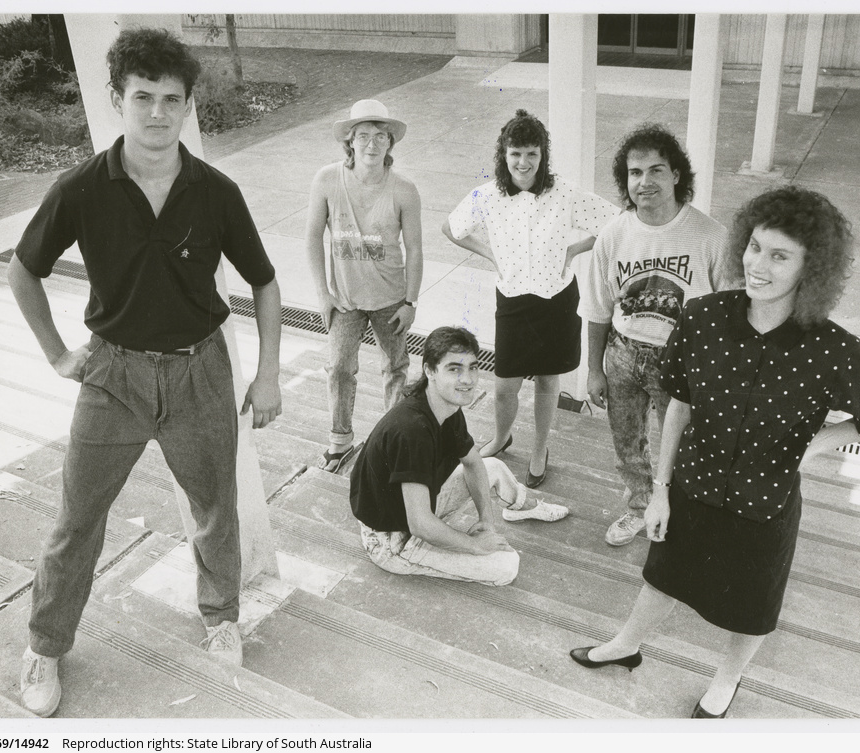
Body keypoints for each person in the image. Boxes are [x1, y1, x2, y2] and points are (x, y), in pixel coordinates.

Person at [7, 28, 283, 717]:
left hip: (201, 374)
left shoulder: (215, 190)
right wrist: (57, 354)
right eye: (143, 97)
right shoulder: (82, 188)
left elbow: (266, 283)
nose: (157, 113)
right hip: (114, 376)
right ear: (118, 99)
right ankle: (44, 643)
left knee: (215, 506)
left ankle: (222, 617)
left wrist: (269, 373)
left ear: (188, 105)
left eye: (171, 99)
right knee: (77, 518)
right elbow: (22, 269)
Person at [569, 186, 860, 718]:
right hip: (692, 484)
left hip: (764, 501)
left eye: (779, 256)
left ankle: (727, 680)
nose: (758, 265)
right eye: (754, 247)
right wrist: (658, 492)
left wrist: (822, 443)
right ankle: (626, 645)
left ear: (810, 268)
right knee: (663, 574)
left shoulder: (831, 348)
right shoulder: (702, 317)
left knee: (751, 605)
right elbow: (679, 402)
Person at [443, 109, 618, 493]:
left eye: (532, 154)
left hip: (557, 301)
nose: (523, 163)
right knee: (505, 386)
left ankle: (540, 450)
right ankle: (502, 437)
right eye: (515, 154)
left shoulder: (566, 193)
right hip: (513, 301)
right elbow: (450, 227)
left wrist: (574, 250)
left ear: (543, 156)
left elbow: (615, 222)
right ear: (503, 155)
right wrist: (491, 254)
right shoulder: (486, 196)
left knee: (547, 381)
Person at [581, 124, 734, 547]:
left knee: (681, 447)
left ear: (676, 175)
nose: (644, 182)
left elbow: (731, 316)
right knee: (627, 444)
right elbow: (596, 309)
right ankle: (637, 507)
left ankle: (675, 512)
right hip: (624, 355)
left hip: (682, 361)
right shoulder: (613, 235)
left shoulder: (711, 237)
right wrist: (595, 370)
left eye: (656, 170)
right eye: (634, 173)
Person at [350, 326, 569, 586]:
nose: (467, 379)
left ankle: (520, 507)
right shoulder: (412, 430)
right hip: (392, 539)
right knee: (506, 566)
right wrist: (474, 545)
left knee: (493, 466)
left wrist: (486, 521)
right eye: (454, 369)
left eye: (473, 367)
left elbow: (473, 462)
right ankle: (425, 555)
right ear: (430, 371)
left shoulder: (447, 406)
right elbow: (420, 524)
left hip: (416, 507)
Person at [305, 99, 423, 473]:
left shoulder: (404, 189)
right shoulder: (327, 179)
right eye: (364, 136)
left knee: (395, 369)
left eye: (381, 136)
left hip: (391, 297)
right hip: (345, 300)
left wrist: (411, 301)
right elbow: (311, 239)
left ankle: (392, 442)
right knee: (339, 367)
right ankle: (340, 442)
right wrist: (323, 293)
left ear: (391, 143)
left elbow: (416, 248)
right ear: (350, 142)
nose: (372, 144)